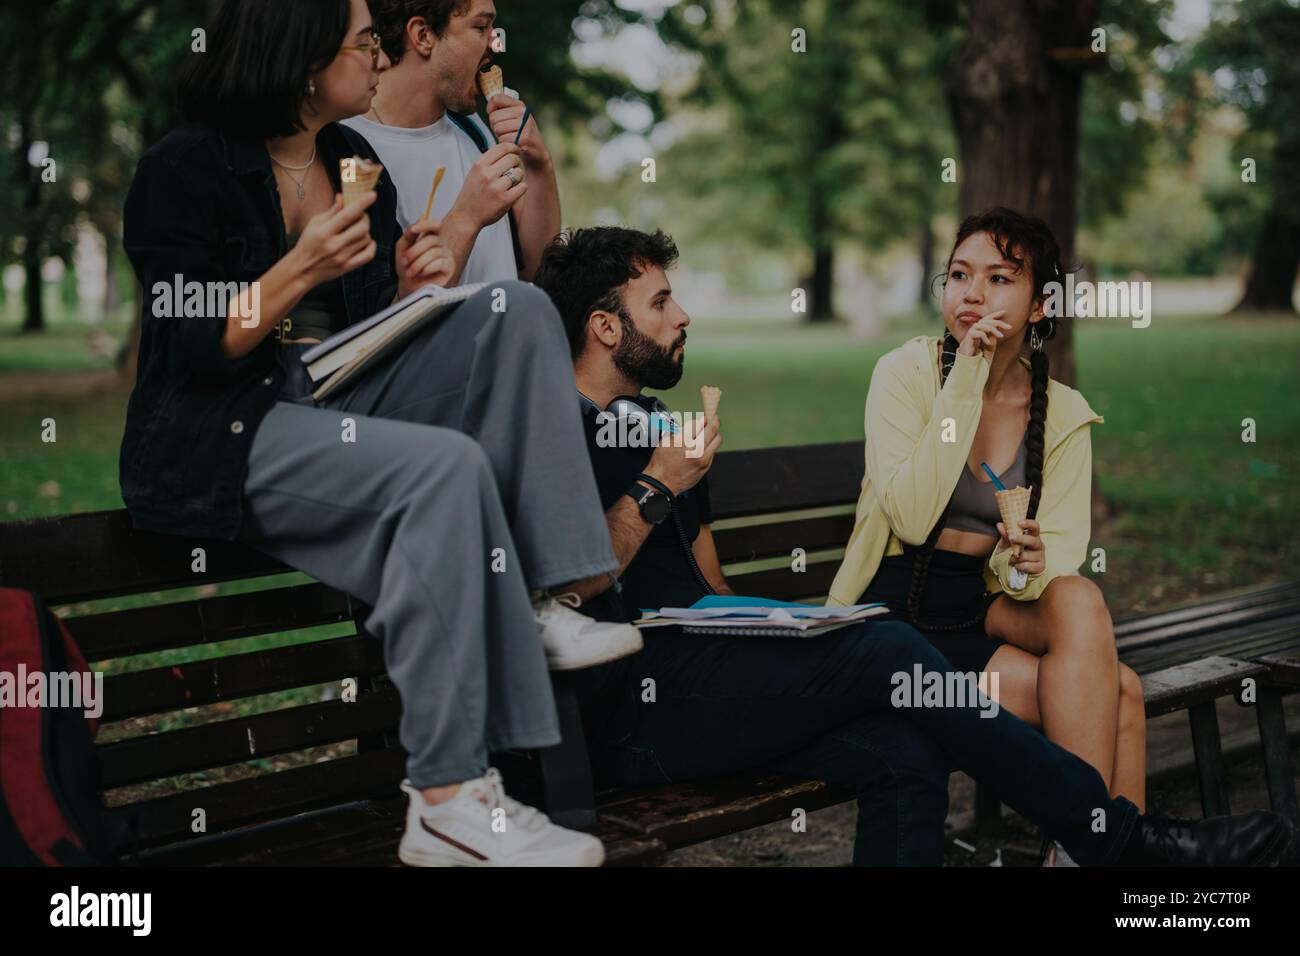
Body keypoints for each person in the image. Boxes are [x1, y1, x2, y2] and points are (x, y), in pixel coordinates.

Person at [530, 224, 1293, 866]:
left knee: (903, 743)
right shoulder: (552, 431)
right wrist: (657, 486)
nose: (683, 314)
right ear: (605, 325)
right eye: (661, 300)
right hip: (627, 713)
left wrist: (793, 630)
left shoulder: (663, 426)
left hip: (711, 681)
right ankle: (1121, 841)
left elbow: (712, 593)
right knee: (887, 649)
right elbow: (569, 587)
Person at [120, 0, 639, 867]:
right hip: (232, 427)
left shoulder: (351, 159)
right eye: (360, 41)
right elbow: (187, 348)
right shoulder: (184, 167)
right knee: (445, 470)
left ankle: (547, 590)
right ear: (298, 56)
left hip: (336, 399)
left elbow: (366, 334)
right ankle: (444, 800)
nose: (375, 52)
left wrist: (410, 288)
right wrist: (297, 269)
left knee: (510, 305)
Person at [828, 208, 1143, 863]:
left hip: (984, 611)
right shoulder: (903, 375)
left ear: (1038, 304)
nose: (972, 293)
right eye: (960, 275)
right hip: (894, 621)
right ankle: (1101, 850)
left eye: (999, 278)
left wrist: (1025, 564)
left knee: (1079, 598)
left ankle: (1079, 853)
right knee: (1120, 694)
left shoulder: (1064, 415)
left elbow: (1044, 568)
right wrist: (966, 375)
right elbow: (912, 517)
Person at [342, 0, 554, 284]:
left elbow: (536, 269)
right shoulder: (345, 150)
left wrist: (540, 164)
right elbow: (385, 314)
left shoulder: (474, 129)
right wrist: (468, 215)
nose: (496, 42)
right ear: (423, 35)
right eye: (481, 27)